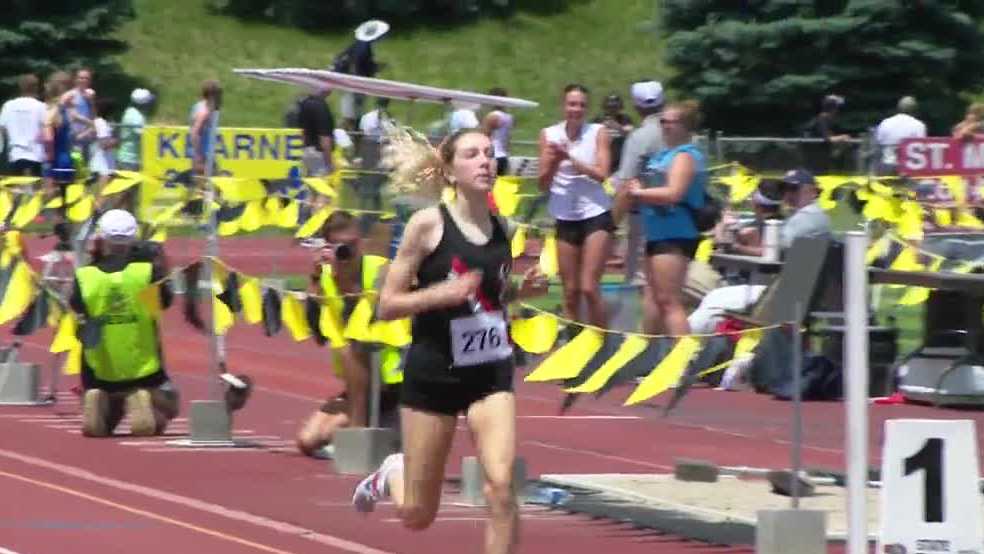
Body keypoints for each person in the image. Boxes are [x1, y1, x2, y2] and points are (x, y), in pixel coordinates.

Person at [351, 129, 549, 554]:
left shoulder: (502, 228)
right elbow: (387, 305)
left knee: (500, 487)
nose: (485, 162)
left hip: (490, 373)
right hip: (434, 373)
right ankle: (393, 473)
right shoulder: (427, 226)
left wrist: (520, 291)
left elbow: (489, 295)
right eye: (473, 154)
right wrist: (439, 294)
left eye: (490, 154)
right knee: (418, 516)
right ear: (450, 170)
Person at [297, 211, 404, 457]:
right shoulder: (324, 278)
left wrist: (349, 284)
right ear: (328, 247)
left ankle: (362, 431)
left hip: (391, 386)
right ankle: (362, 429)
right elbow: (317, 334)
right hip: (357, 390)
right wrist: (315, 278)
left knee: (350, 347)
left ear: (361, 241)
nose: (347, 253)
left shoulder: (380, 270)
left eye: (352, 245)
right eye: (340, 247)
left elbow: (371, 319)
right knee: (307, 440)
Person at [70, 209, 179, 437]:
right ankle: (143, 398)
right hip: (144, 368)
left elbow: (78, 308)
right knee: (171, 404)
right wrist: (160, 265)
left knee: (107, 421)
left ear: (101, 239)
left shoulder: (85, 276)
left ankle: (99, 397)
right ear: (134, 237)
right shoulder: (146, 273)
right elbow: (164, 302)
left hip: (98, 371)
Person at [626, 100, 706, 337]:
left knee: (670, 301)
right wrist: (638, 186)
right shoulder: (664, 155)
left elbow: (674, 192)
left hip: (675, 233)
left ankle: (682, 363)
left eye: (673, 122)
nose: (666, 126)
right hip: (657, 232)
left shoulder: (685, 156)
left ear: (686, 126)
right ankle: (652, 357)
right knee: (653, 298)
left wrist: (639, 193)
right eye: (663, 121)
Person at [538, 84, 613, 328]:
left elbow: (602, 174)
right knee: (570, 292)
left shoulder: (598, 132)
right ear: (564, 106)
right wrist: (553, 163)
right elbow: (543, 183)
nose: (576, 109)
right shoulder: (549, 135)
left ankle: (603, 343)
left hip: (596, 214)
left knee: (589, 287)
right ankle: (573, 344)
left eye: (581, 104)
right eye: (572, 104)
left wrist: (569, 159)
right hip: (565, 216)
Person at [611, 80, 665, 285]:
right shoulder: (686, 135)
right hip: (681, 217)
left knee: (640, 281)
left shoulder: (639, 137)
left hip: (645, 217)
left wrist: (611, 224)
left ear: (636, 106)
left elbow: (626, 185)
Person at [334, 20, 389, 130]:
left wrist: (375, 66)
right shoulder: (363, 47)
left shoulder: (358, 45)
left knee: (352, 115)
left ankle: (349, 134)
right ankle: (344, 136)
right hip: (353, 85)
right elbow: (358, 66)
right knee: (351, 117)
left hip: (350, 84)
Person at [715, 179, 784, 258]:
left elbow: (768, 252)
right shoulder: (776, 223)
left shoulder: (772, 225)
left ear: (756, 202)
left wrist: (736, 246)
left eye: (753, 195)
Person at [0, 74, 47, 176]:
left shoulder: (8, 106)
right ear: (36, 87)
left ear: (20, 86)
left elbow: (3, 130)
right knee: (33, 190)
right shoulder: (41, 107)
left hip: (15, 155)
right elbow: (46, 131)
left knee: (16, 189)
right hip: (35, 155)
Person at [777, 169, 831, 250]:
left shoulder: (807, 215)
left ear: (813, 192)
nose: (787, 193)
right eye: (783, 188)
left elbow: (778, 248)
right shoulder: (817, 212)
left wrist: (751, 249)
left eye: (793, 188)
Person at [875, 96, 927, 175]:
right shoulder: (919, 125)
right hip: (908, 168)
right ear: (914, 110)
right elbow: (921, 148)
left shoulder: (885, 122)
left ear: (898, 108)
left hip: (886, 165)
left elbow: (877, 142)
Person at [298, 85, 336, 180]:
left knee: (310, 186)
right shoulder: (321, 107)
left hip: (306, 151)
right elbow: (324, 138)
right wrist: (329, 162)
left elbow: (302, 132)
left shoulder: (304, 103)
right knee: (323, 190)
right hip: (318, 154)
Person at [593, 93, 634, 174]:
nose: (612, 110)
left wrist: (618, 127)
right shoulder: (598, 119)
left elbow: (631, 133)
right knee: (605, 182)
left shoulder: (625, 119)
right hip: (603, 159)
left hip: (620, 160)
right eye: (610, 107)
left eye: (615, 107)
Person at [189, 79, 222, 178]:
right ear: (213, 94)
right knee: (208, 186)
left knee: (202, 186)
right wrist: (199, 155)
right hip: (204, 155)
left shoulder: (198, 106)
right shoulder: (205, 112)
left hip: (203, 154)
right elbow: (195, 132)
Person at [117, 88, 154, 171]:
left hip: (129, 158)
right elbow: (145, 134)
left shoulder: (131, 111)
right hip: (130, 159)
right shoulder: (136, 117)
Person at [482, 88, 514, 177]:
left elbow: (484, 136)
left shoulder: (492, 116)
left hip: (493, 155)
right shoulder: (509, 117)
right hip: (503, 155)